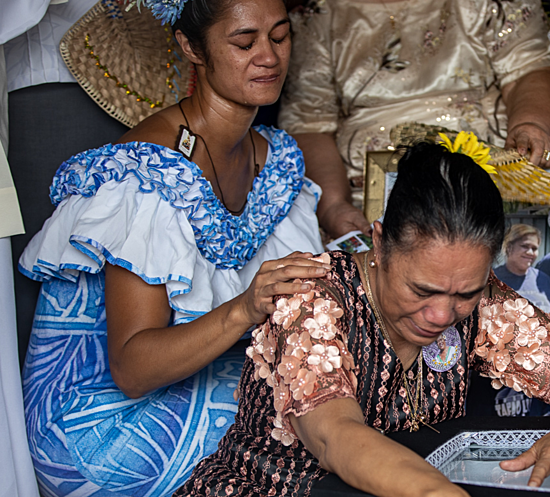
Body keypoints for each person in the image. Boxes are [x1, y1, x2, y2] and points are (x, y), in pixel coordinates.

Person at [174, 141, 550, 496]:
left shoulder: (486, 305)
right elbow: (336, 437)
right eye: (422, 290)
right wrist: (440, 494)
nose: (440, 315)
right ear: (380, 244)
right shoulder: (311, 296)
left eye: (465, 293)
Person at [16, 0, 332, 495]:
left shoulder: (276, 161)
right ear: (191, 47)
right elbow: (132, 370)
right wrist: (245, 307)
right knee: (309, 427)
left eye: (280, 36)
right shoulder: (145, 177)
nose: (268, 57)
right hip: (107, 426)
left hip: (215, 377)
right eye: (244, 42)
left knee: (335, 396)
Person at [277, 0, 550, 233]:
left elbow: (529, 69)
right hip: (371, 205)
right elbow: (310, 124)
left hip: (493, 184)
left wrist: (531, 123)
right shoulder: (320, 16)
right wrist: (332, 205)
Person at [492, 223, 550, 416]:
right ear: (509, 247)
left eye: (534, 248)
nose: (530, 252)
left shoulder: (543, 280)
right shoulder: (492, 279)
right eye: (524, 246)